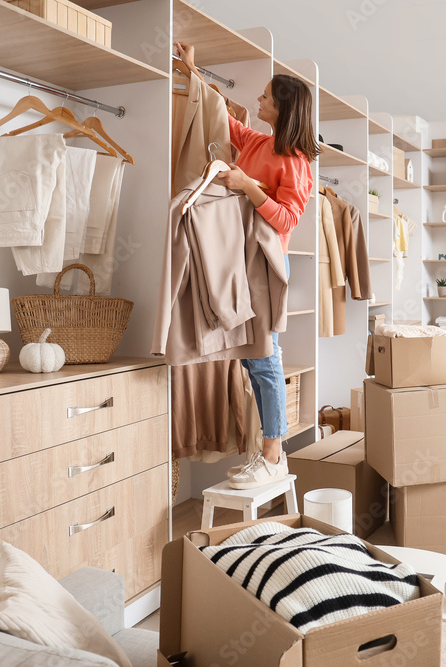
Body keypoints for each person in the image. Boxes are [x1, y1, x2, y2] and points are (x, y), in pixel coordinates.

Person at [174, 42, 319, 489]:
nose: (259, 101)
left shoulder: (295, 162)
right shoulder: (261, 141)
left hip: (263, 263)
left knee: (263, 357)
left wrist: (247, 184)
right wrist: (195, 74)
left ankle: (274, 454)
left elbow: (286, 219)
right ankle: (269, 451)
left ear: (284, 108)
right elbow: (229, 124)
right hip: (241, 257)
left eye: (266, 98)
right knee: (250, 356)